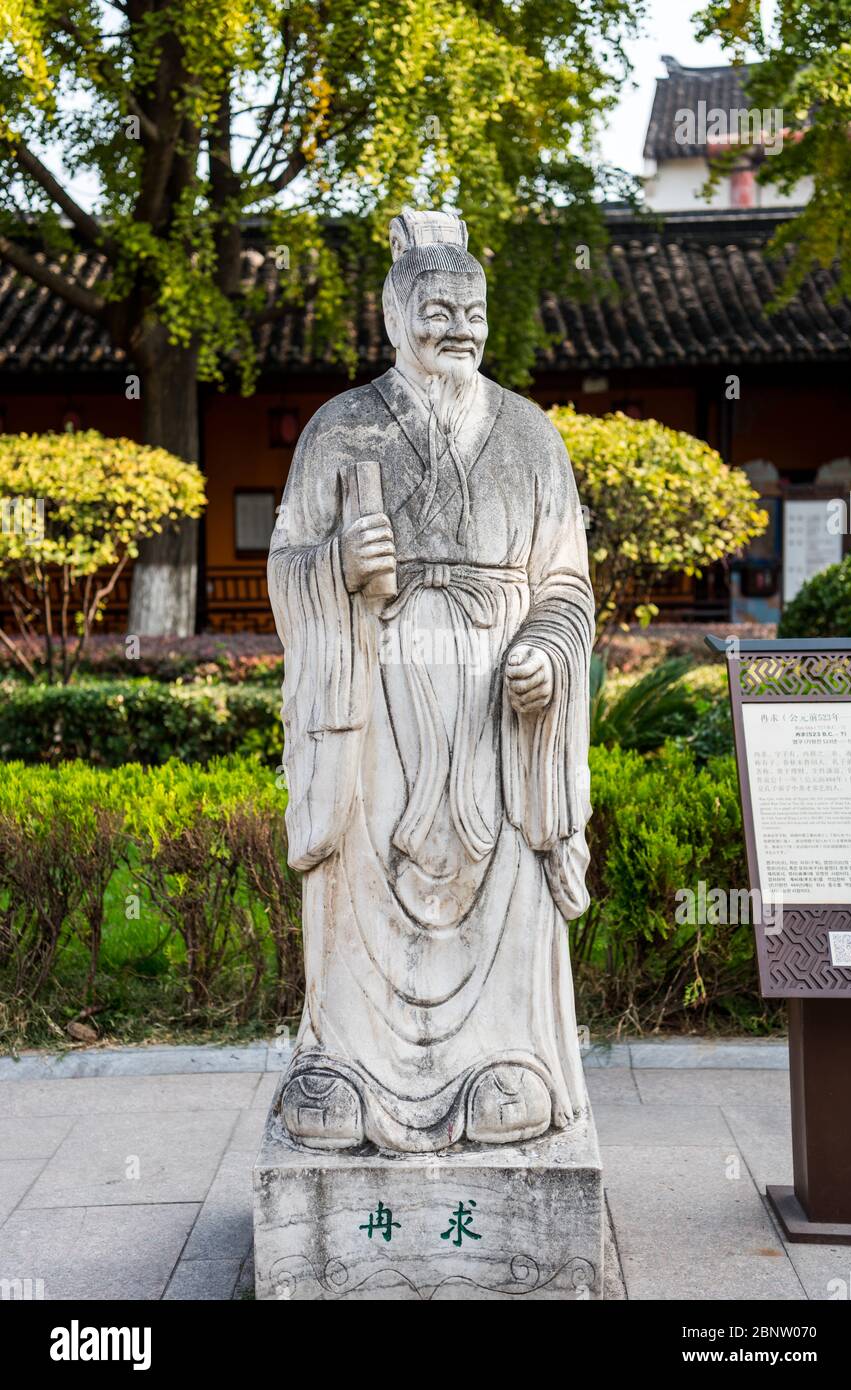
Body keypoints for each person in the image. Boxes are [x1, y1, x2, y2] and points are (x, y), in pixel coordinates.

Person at [268, 208, 594, 1152]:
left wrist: (546, 648)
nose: (457, 327)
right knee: (361, 865)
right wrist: (335, 564)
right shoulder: (341, 429)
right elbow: (286, 566)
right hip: (373, 699)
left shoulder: (531, 438)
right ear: (392, 314)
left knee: (495, 861)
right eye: (436, 307)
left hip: (496, 705)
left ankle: (506, 1058)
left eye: (473, 309)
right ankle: (345, 1065)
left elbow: (565, 584)